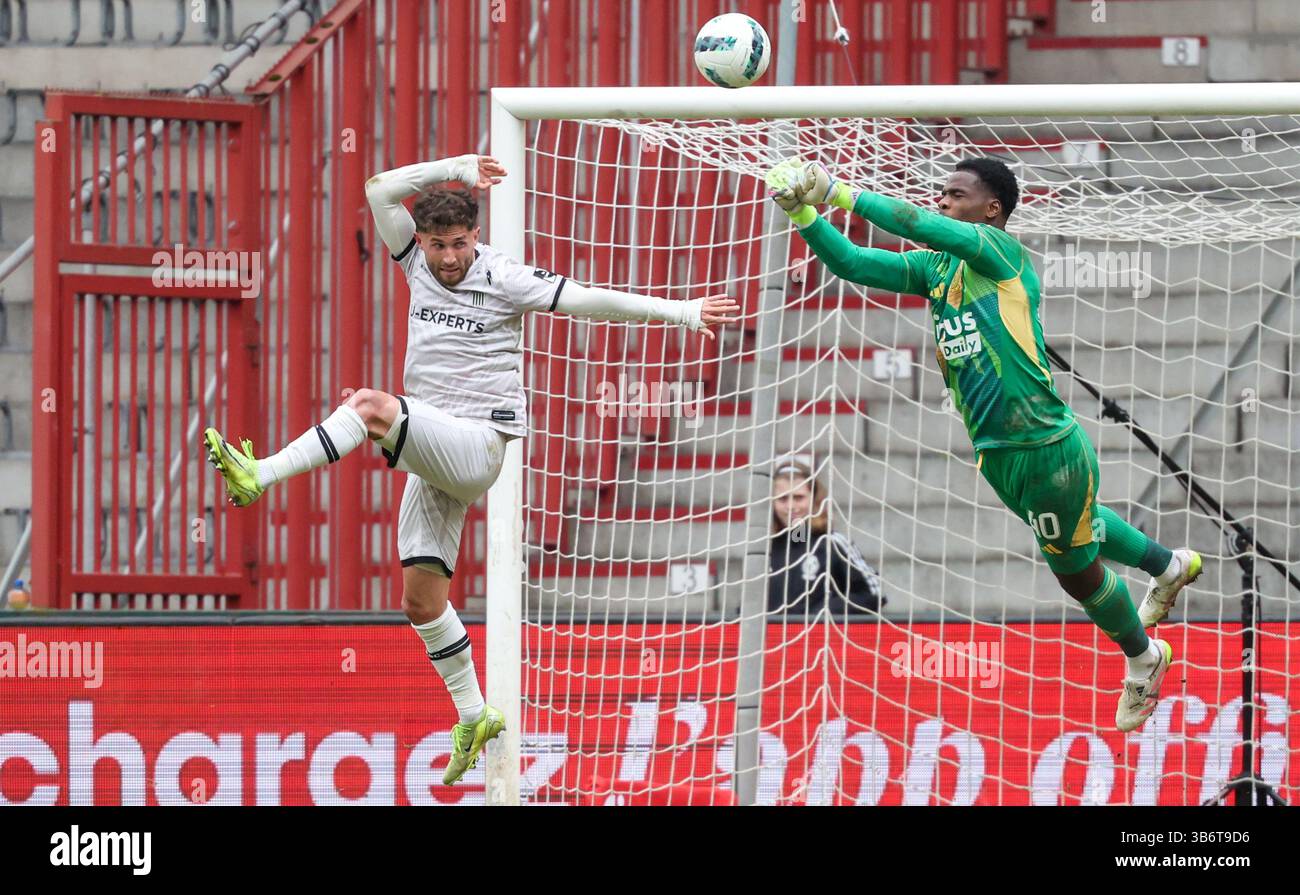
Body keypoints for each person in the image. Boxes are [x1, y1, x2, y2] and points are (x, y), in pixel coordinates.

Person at [203, 154, 740, 783]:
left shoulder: (504, 277)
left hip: (479, 443)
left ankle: (258, 475)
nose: (450, 257)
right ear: (421, 241)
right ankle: (472, 713)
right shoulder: (414, 264)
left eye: (459, 243)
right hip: (435, 448)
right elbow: (378, 189)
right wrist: (455, 167)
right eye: (438, 245)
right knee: (420, 599)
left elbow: (588, 300)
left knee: (369, 406)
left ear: (475, 238)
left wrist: (682, 312)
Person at [766, 156, 1201, 732]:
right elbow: (850, 262)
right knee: (1081, 525)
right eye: (940, 193)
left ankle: (1144, 657)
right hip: (997, 452)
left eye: (955, 194)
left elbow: (920, 224)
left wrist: (836, 191)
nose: (942, 201)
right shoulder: (936, 271)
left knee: (1073, 568)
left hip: (1043, 444)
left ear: (991, 209)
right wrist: (801, 212)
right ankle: (1168, 565)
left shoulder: (1000, 255)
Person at [768, 454, 884, 620]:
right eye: (782, 499)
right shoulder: (764, 548)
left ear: (814, 499)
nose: (791, 506)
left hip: (820, 642)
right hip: (771, 643)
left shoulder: (832, 543)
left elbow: (873, 594)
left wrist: (826, 611)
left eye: (799, 498)